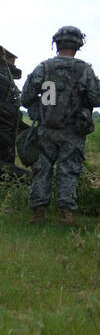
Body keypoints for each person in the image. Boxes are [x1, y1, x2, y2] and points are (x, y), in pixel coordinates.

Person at [20, 25, 100, 225]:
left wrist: (40, 108)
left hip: (46, 129)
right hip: (73, 132)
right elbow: (96, 98)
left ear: (56, 44)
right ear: (78, 45)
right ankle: (66, 215)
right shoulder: (85, 70)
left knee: (42, 169)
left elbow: (26, 97)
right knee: (68, 170)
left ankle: (38, 214)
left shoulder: (43, 67)